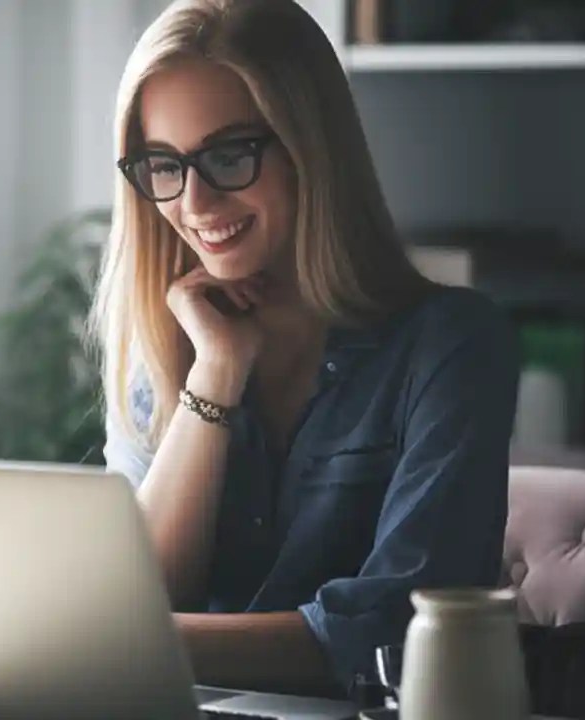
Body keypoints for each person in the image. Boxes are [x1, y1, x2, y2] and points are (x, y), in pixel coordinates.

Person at [90, 0, 520, 698]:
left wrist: (105, 640)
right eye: (163, 164)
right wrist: (217, 376)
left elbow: (398, 632)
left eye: (229, 155)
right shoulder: (169, 347)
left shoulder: (450, 346)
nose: (194, 203)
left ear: (309, 147)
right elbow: (149, 591)